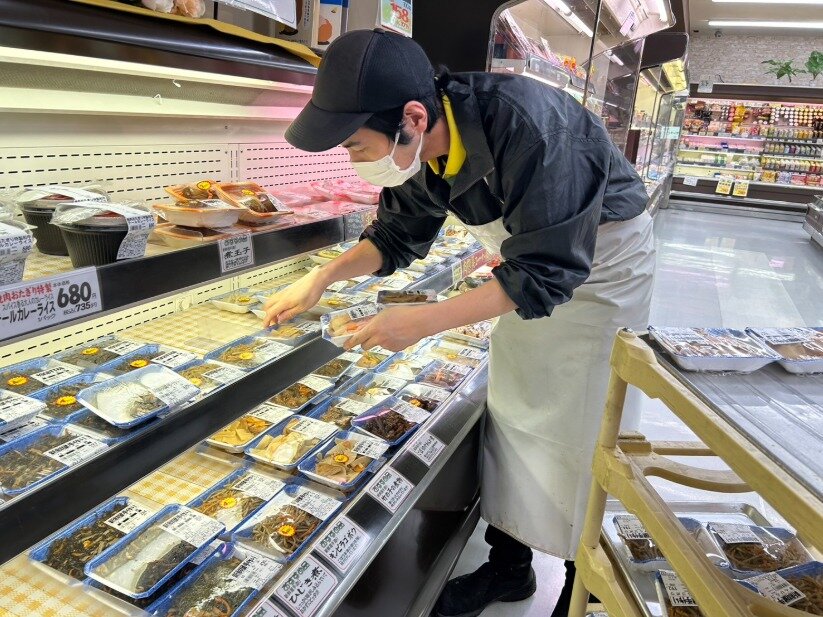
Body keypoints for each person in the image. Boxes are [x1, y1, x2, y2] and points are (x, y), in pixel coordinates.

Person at [264, 28, 655, 617]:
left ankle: (586, 586)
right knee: (514, 414)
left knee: (586, 429)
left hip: (602, 271)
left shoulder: (531, 127)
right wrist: (323, 276)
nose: (354, 160)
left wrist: (423, 321)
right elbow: (396, 236)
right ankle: (509, 569)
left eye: (356, 146)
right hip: (526, 267)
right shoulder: (420, 149)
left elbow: (546, 272)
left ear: (413, 118)